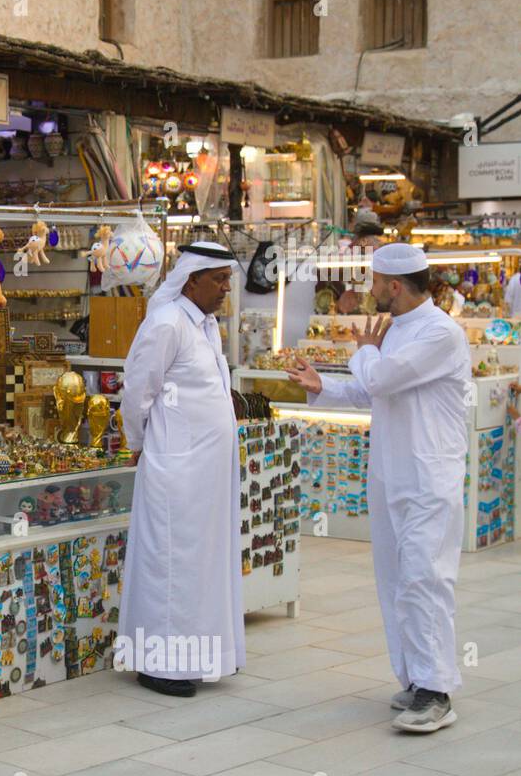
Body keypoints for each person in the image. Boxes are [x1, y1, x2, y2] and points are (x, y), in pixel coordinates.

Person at [287, 242, 470, 733]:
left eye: (372, 282)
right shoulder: (396, 332)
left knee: (425, 579)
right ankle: (414, 678)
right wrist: (322, 384)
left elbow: (382, 377)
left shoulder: (440, 334)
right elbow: (373, 391)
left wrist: (365, 353)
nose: (368, 290)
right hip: (392, 474)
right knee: (395, 580)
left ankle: (438, 691)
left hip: (429, 477)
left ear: (393, 285)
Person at [117, 242, 245, 697]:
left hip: (206, 475)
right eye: (219, 279)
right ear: (191, 280)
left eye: (228, 279)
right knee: (168, 564)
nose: (226, 288)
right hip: (175, 468)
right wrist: (136, 442)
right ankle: (158, 665)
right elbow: (137, 390)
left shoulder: (206, 326)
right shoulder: (167, 323)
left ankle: (194, 656)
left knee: (199, 564)